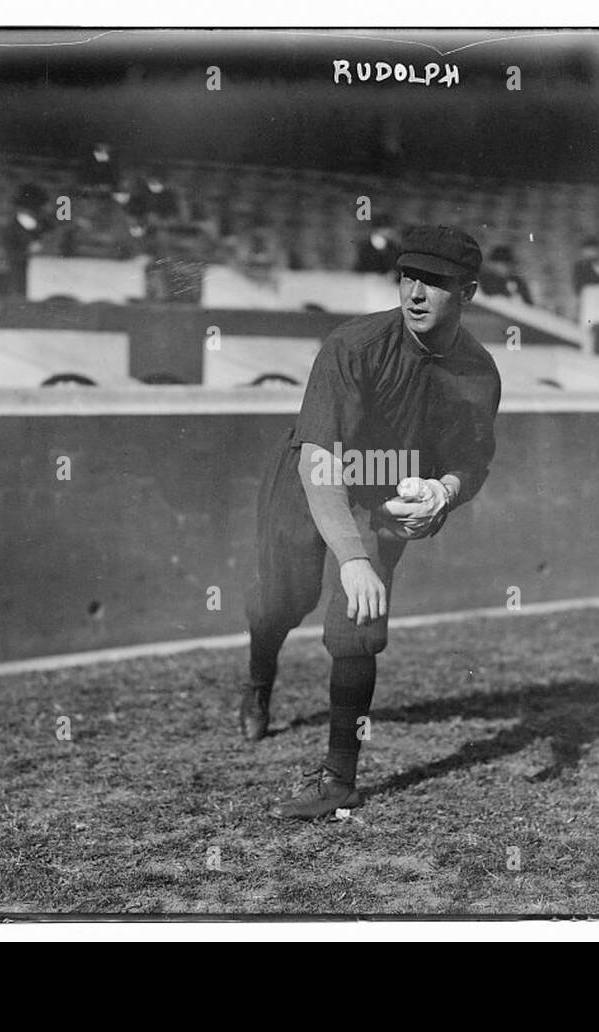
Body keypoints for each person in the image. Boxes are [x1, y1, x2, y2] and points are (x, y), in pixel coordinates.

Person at [240, 225, 502, 820]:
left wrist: (444, 491)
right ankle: (260, 679)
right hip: (311, 482)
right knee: (287, 600)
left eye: (434, 282)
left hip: (386, 496)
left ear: (468, 292)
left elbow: (473, 459)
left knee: (358, 624)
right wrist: (352, 557)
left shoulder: (479, 371)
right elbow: (319, 463)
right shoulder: (353, 345)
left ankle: (339, 777)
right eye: (408, 277)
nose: (415, 292)